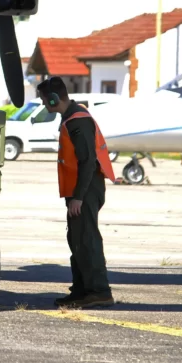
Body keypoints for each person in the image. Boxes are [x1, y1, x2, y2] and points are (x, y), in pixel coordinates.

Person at [36, 77, 116, 309]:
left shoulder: (77, 121)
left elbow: (88, 161)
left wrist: (78, 197)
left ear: (54, 99)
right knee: (78, 239)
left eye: (44, 100)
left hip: (86, 190)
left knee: (87, 239)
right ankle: (81, 291)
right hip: (80, 189)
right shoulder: (72, 116)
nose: (43, 104)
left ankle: (99, 291)